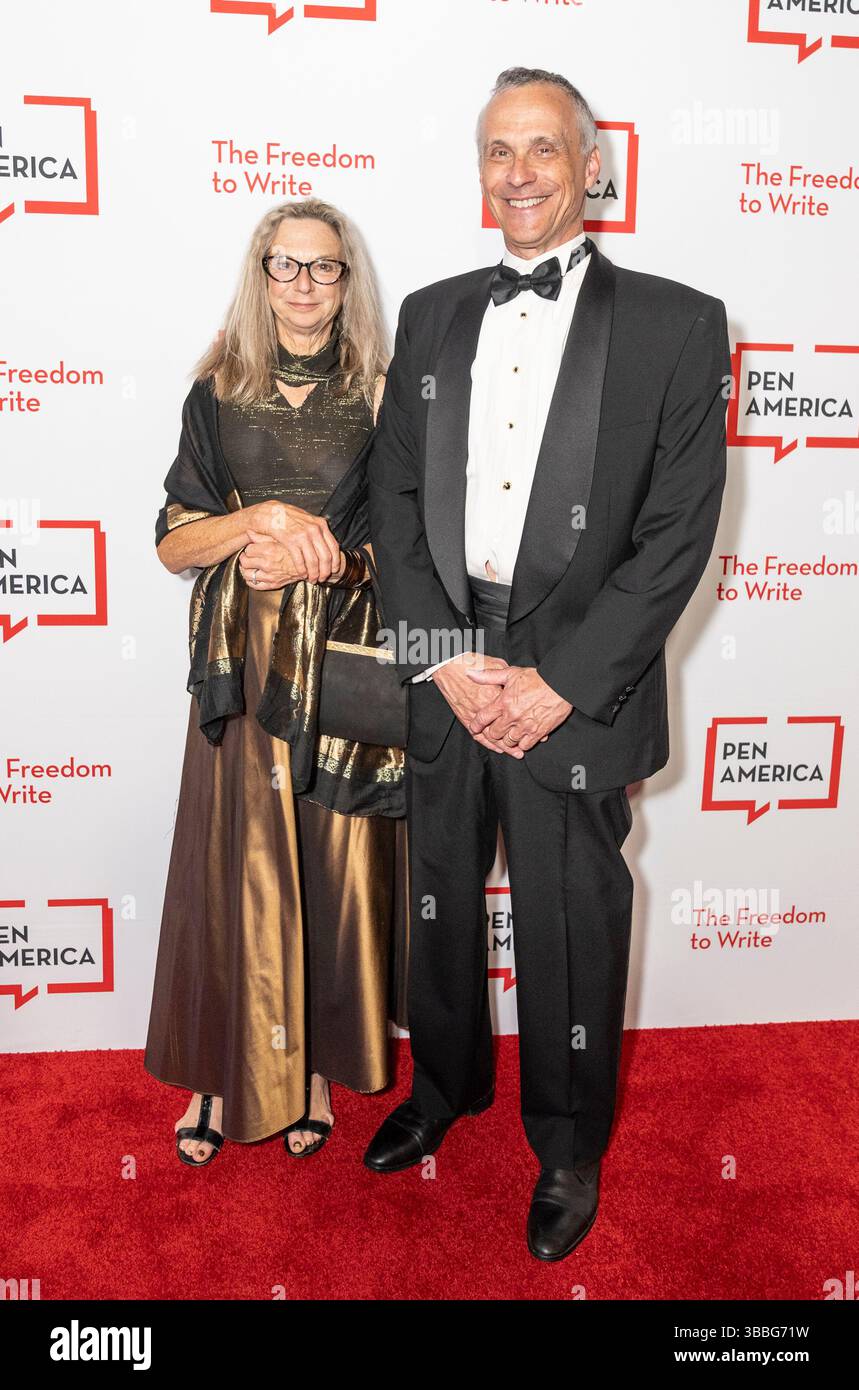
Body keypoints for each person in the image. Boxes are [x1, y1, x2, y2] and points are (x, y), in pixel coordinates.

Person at [364, 68, 730, 1260]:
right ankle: (444, 1087)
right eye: (494, 150)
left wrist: (562, 681)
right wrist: (447, 661)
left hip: (578, 674)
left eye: (540, 149)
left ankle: (568, 1144)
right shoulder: (427, 313)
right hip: (449, 656)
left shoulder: (679, 322)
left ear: (590, 167)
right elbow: (396, 498)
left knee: (570, 916)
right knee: (437, 900)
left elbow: (678, 530)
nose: (516, 172)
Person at [144, 198, 408, 1165]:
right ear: (259, 277)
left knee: (327, 866)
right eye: (284, 267)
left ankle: (307, 1070)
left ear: (348, 279)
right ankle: (218, 1072)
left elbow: (407, 547)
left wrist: (325, 559)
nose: (303, 285)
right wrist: (258, 526)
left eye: (323, 267)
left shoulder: (383, 394)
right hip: (242, 667)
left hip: (338, 666)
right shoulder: (218, 389)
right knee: (235, 868)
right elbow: (175, 540)